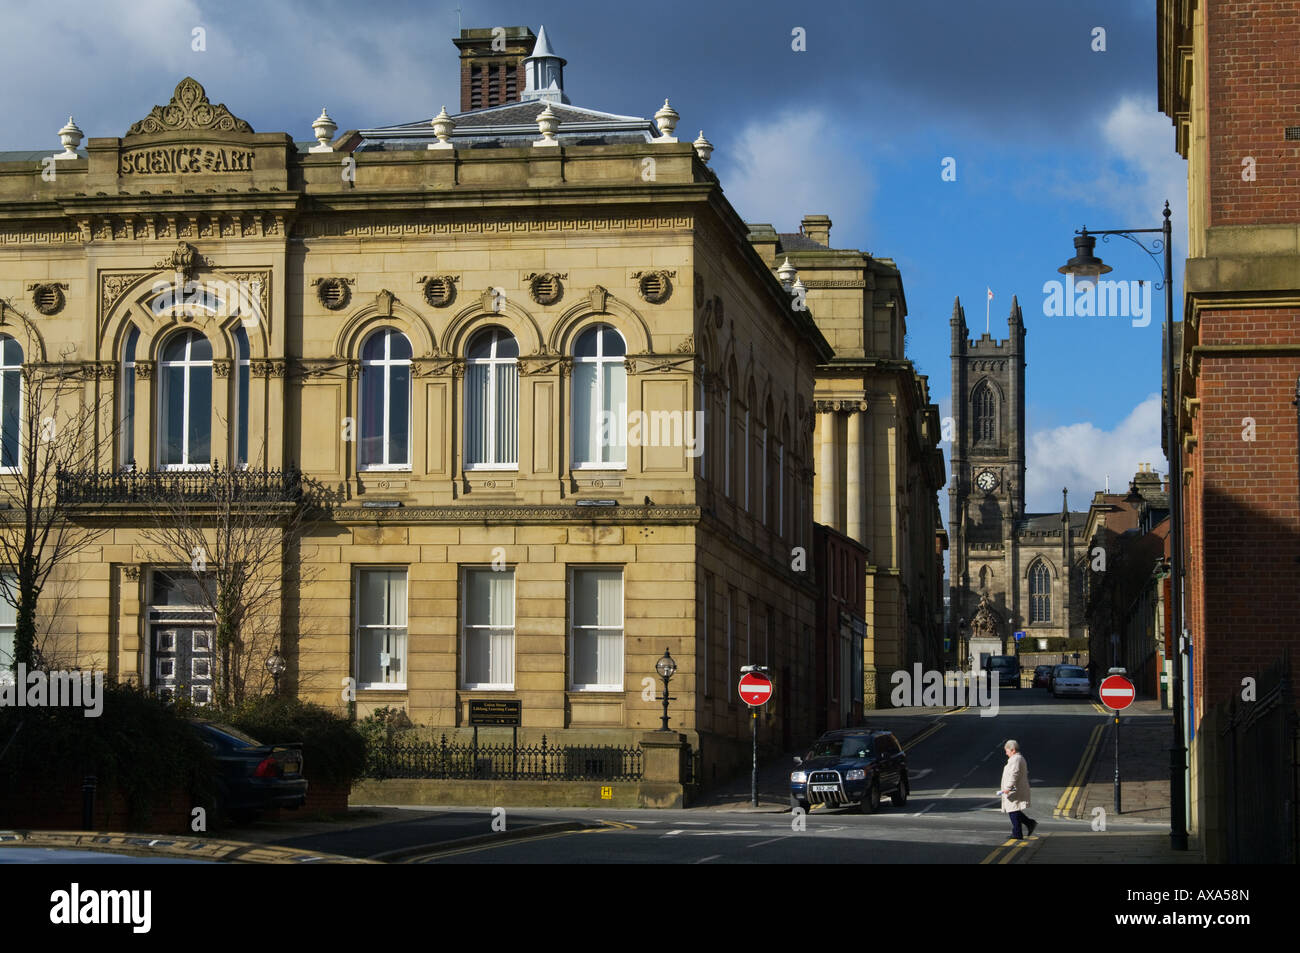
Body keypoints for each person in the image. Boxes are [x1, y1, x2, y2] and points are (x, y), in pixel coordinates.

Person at [998, 739, 1037, 839]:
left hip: (1014, 789)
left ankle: (1018, 832)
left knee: (1013, 810)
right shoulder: (1017, 759)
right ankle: (1027, 825)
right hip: (1015, 788)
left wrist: (1008, 788)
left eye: (1007, 750)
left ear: (1013, 750)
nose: (1006, 753)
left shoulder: (1016, 759)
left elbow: (1014, 775)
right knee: (1013, 810)